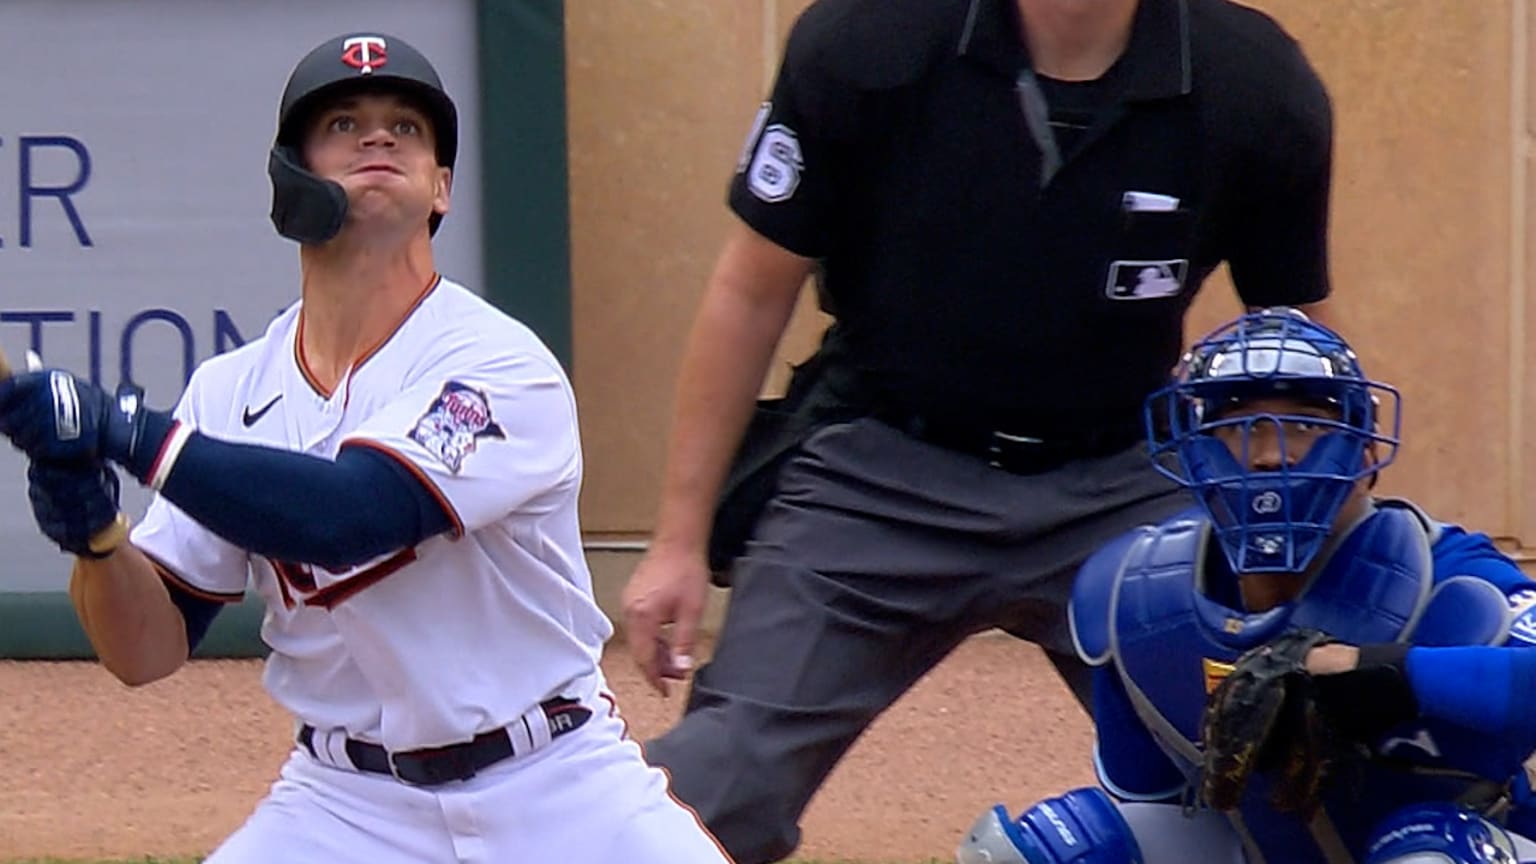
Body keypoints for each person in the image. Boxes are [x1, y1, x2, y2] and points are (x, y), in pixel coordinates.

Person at [620, 0, 1335, 860]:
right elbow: (750, 290)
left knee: (1277, 782)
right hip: (881, 472)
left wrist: (1317, 575)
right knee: (708, 795)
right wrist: (676, 543)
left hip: (1125, 483)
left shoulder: (1251, 82)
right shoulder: (868, 42)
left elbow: (1303, 351)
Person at [0, 32, 729, 864]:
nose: (380, 137)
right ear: (290, 177)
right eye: (344, 123)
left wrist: (125, 430)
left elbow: (351, 514)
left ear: (441, 186)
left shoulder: (498, 364)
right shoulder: (232, 392)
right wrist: (95, 536)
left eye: (407, 128)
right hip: (345, 807)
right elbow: (145, 652)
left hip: (559, 787)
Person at [957, 308, 1536, 864]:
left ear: (1364, 451)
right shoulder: (1133, 596)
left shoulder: (1448, 574)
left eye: (1305, 426)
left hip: (1471, 844)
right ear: (1194, 450)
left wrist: (1392, 674)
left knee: (1427, 853)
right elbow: (1155, 809)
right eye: (1237, 427)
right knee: (1047, 849)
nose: (1267, 457)